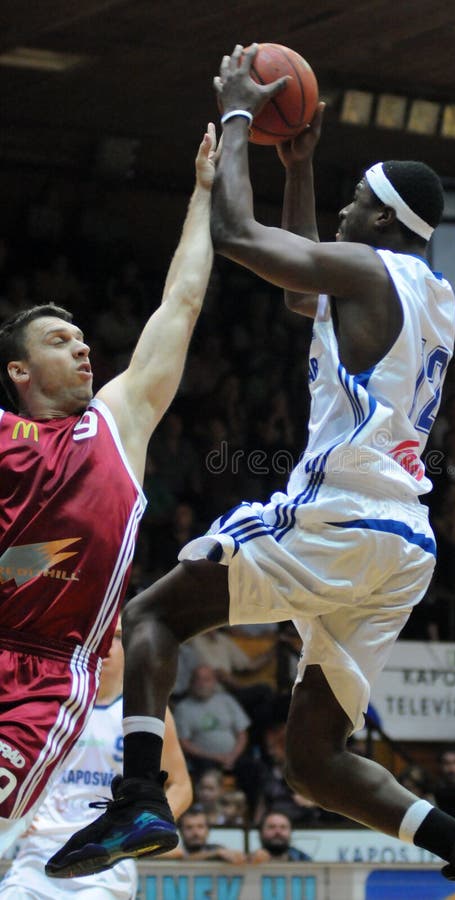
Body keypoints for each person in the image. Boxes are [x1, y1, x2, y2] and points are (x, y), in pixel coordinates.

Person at [48, 44, 455, 900]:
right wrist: (300, 171)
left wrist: (237, 114)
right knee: (313, 758)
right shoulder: (430, 292)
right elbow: (299, 299)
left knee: (151, 619)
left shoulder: (367, 268)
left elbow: (239, 237)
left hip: (341, 517)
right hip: (402, 545)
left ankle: (135, 798)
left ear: (382, 220)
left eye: (353, 203)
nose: (341, 214)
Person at [0, 123, 217, 852]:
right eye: (60, 342)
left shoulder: (116, 426)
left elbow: (180, 304)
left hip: (42, 675)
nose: (83, 345)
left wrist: (202, 198)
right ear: (19, 374)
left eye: (83, 337)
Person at [0, 625, 192, 898]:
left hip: (107, 857)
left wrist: (137, 828)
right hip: (39, 851)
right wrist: (17, 813)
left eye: (115, 637)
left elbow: (181, 786)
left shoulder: (147, 715)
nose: (106, 645)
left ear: (130, 648)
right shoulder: (49, 706)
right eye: (100, 636)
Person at [165, 804, 246, 863]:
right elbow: (184, 859)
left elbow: (240, 858)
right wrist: (216, 853)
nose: (195, 833)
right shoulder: (173, 851)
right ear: (181, 832)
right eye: (189, 827)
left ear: (208, 830)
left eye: (200, 827)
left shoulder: (217, 848)